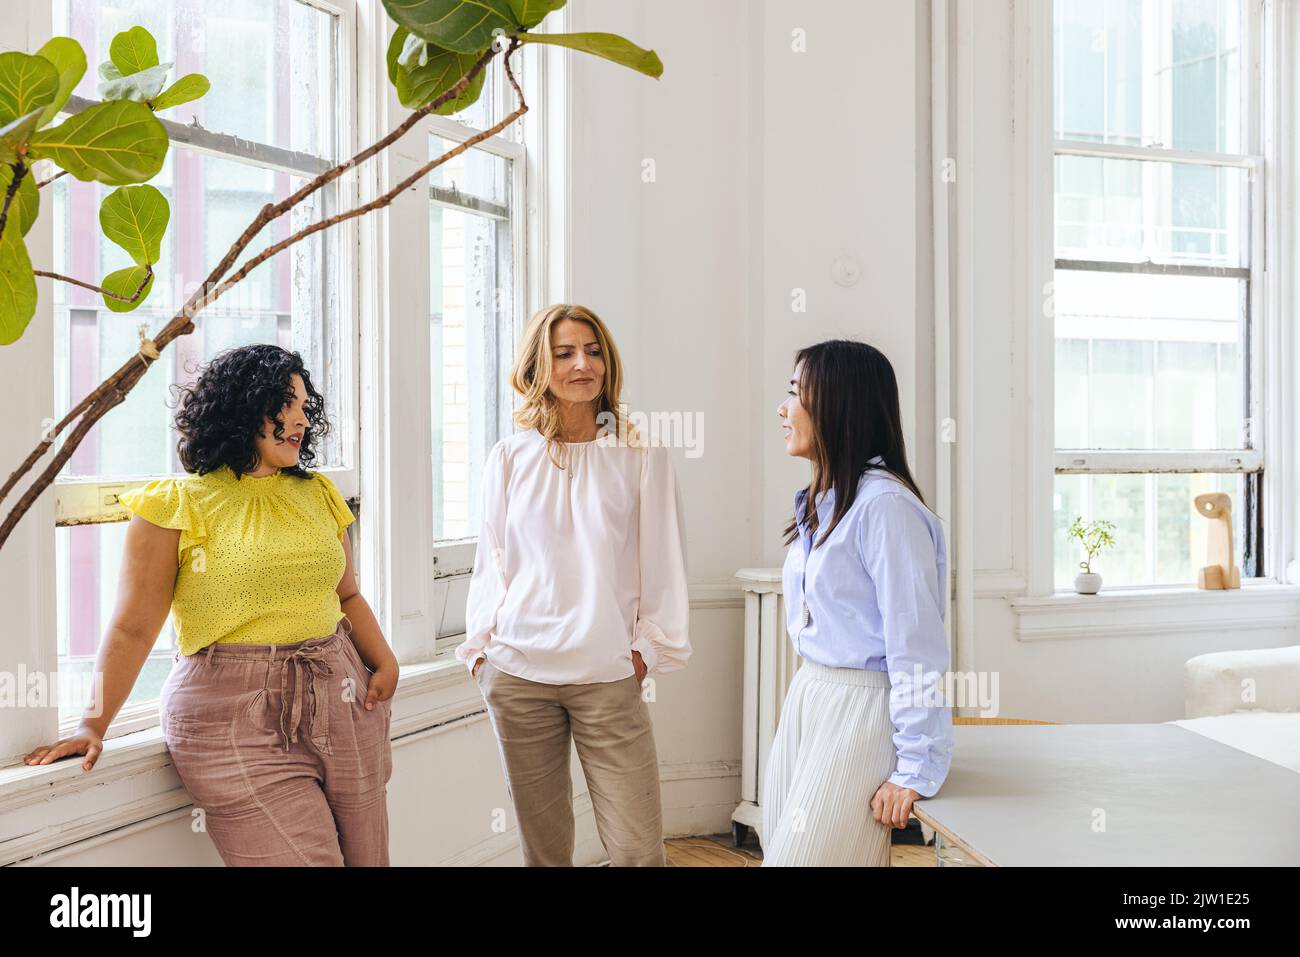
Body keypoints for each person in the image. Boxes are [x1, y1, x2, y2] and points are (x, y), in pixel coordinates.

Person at [24, 344, 397, 867]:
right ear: (242, 406)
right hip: (232, 717)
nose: (299, 420)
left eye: (305, 407)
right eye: (284, 404)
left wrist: (384, 659)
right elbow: (134, 627)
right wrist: (93, 723)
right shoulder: (175, 506)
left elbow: (347, 594)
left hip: (341, 692)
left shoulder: (318, 494)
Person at [459, 303, 691, 866]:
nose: (581, 364)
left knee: (638, 850)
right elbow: (492, 561)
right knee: (545, 854)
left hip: (608, 675)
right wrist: (481, 651)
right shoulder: (510, 457)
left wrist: (643, 653)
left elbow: (664, 562)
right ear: (540, 367)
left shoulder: (640, 454)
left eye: (592, 351)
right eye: (564, 354)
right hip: (517, 675)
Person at [761, 339, 952, 867]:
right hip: (810, 695)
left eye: (797, 393)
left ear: (837, 404)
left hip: (861, 707)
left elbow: (917, 645)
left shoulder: (886, 507)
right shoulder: (825, 502)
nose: (783, 408)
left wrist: (913, 767)